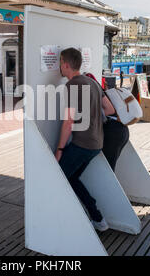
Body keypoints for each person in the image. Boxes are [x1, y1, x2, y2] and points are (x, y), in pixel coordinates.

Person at [55, 48, 115, 232]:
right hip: (97, 144)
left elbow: (69, 121)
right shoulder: (92, 82)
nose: (60, 67)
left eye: (60, 64)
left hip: (83, 144)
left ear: (66, 65)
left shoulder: (72, 85)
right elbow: (110, 109)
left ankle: (68, 222)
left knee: (58, 177)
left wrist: (60, 149)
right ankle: (98, 219)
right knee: (72, 177)